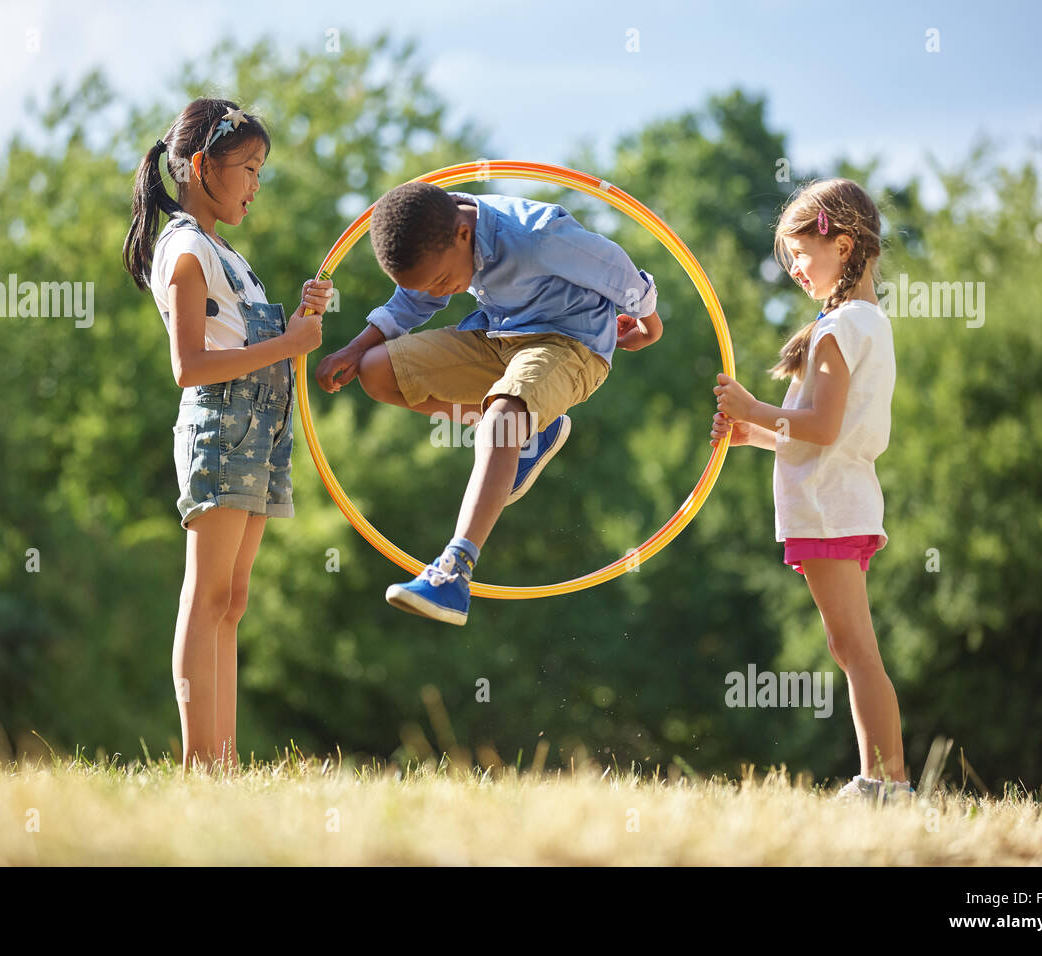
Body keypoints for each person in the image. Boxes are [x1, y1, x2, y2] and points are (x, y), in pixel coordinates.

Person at [315, 181, 662, 625]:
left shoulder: (535, 237)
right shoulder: (442, 238)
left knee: (502, 416)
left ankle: (454, 571)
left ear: (464, 233)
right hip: (498, 337)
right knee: (376, 370)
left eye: (443, 280)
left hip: (569, 346)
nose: (442, 289)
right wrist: (353, 348)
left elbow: (614, 266)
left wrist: (651, 325)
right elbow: (411, 301)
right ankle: (527, 430)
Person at [123, 97, 333, 771]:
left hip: (260, 430)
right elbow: (190, 367)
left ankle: (226, 758)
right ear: (197, 166)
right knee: (206, 592)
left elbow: (245, 338)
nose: (255, 184)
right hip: (221, 425)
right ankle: (198, 763)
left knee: (233, 599)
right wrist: (289, 345)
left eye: (260, 170)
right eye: (247, 168)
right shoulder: (184, 249)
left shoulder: (223, 253)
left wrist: (300, 323)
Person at [711, 178, 912, 802]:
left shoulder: (835, 331)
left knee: (856, 649)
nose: (795, 269)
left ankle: (889, 782)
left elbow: (821, 427)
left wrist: (754, 405)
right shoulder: (863, 324)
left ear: (844, 246)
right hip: (843, 498)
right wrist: (756, 433)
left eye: (801, 254)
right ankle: (881, 780)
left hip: (828, 508)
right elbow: (826, 434)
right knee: (850, 645)